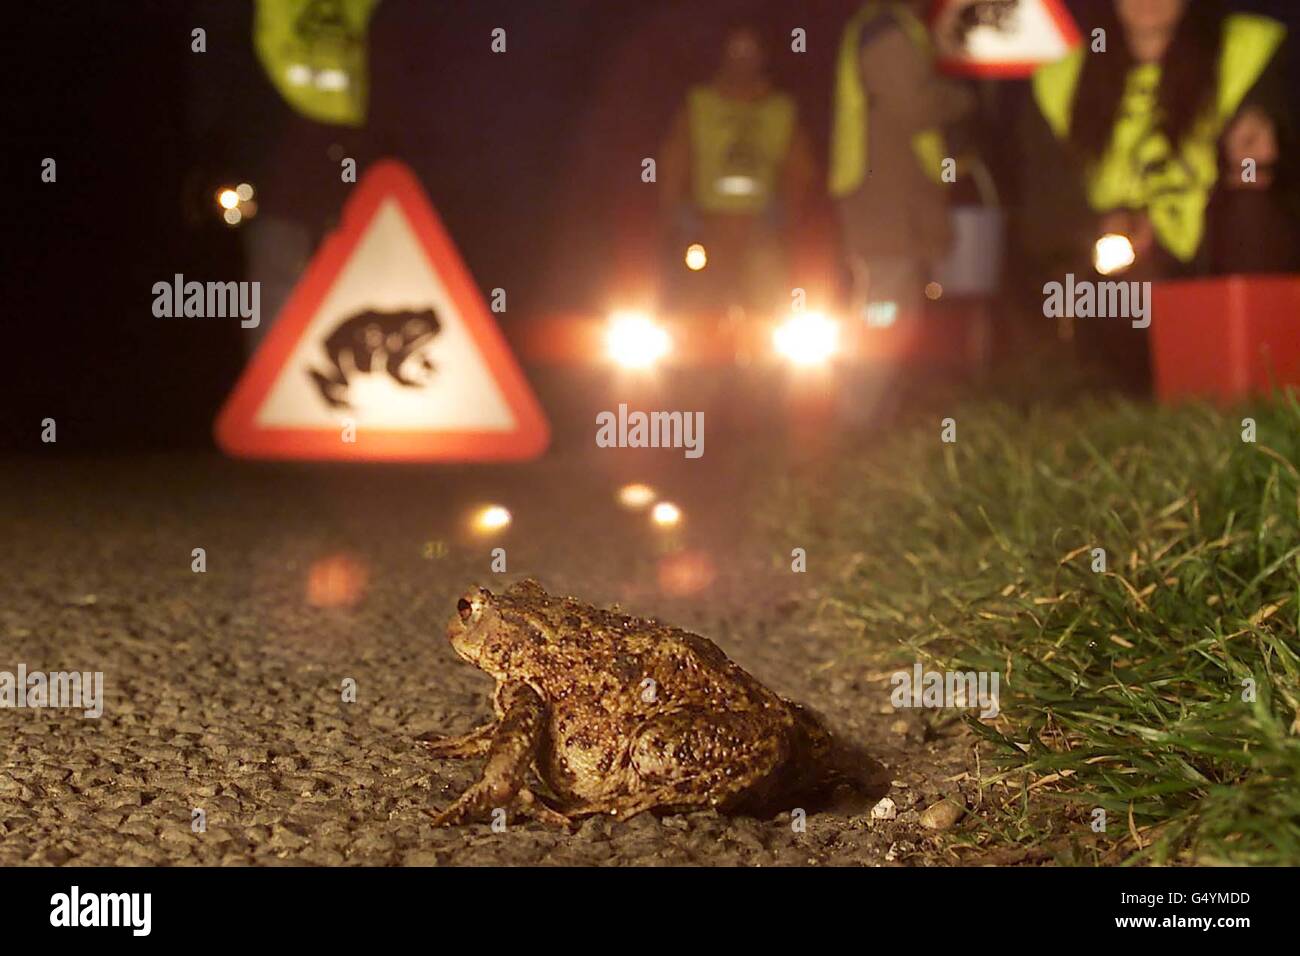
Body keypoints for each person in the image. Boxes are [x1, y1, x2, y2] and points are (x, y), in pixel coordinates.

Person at [1021, 0, 1295, 389]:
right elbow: (1042, 211)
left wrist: (1263, 126)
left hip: (1223, 255)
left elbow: (1279, 127)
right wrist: (1105, 225)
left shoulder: (1248, 48)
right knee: (1116, 269)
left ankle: (1255, 366)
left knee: (1253, 209)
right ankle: (1140, 377)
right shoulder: (1060, 77)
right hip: (1124, 275)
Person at [829, 1, 975, 329]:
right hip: (886, 205)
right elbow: (913, 106)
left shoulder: (896, 28)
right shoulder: (886, 31)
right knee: (884, 318)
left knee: (893, 311)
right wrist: (964, 96)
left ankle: (868, 374)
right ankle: (859, 380)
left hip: (893, 202)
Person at [659, 25, 816, 316]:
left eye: (750, 53)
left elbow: (800, 170)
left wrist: (789, 214)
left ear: (762, 58)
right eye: (736, 52)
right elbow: (674, 161)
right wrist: (675, 213)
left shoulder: (780, 109)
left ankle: (767, 361)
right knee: (696, 301)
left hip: (761, 229)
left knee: (771, 304)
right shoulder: (700, 104)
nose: (742, 60)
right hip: (707, 227)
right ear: (722, 56)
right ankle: (696, 358)